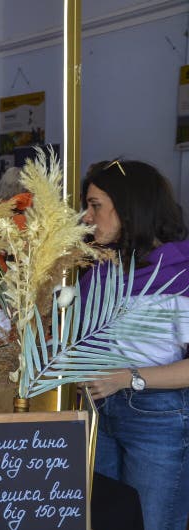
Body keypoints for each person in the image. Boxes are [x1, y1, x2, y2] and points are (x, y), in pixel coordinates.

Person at [79, 159, 189, 530]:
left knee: (152, 523)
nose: (86, 217)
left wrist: (127, 378)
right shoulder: (102, 269)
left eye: (95, 206)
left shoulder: (179, 272)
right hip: (99, 411)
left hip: (156, 418)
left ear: (129, 208)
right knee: (105, 519)